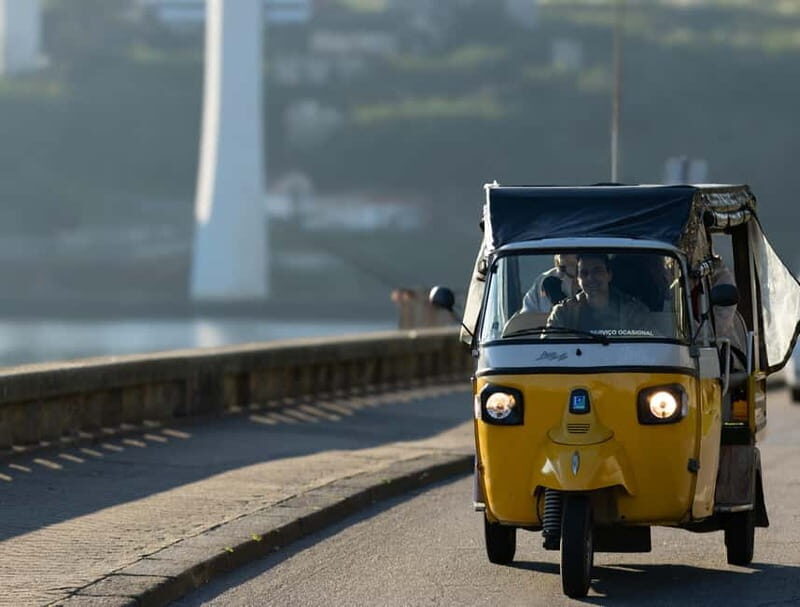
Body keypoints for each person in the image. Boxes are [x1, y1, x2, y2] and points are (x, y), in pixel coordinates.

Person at [546, 253, 654, 335]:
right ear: (578, 280)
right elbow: (548, 349)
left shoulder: (633, 311)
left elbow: (648, 348)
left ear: (609, 275)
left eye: (597, 271)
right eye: (584, 273)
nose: (590, 278)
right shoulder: (563, 312)